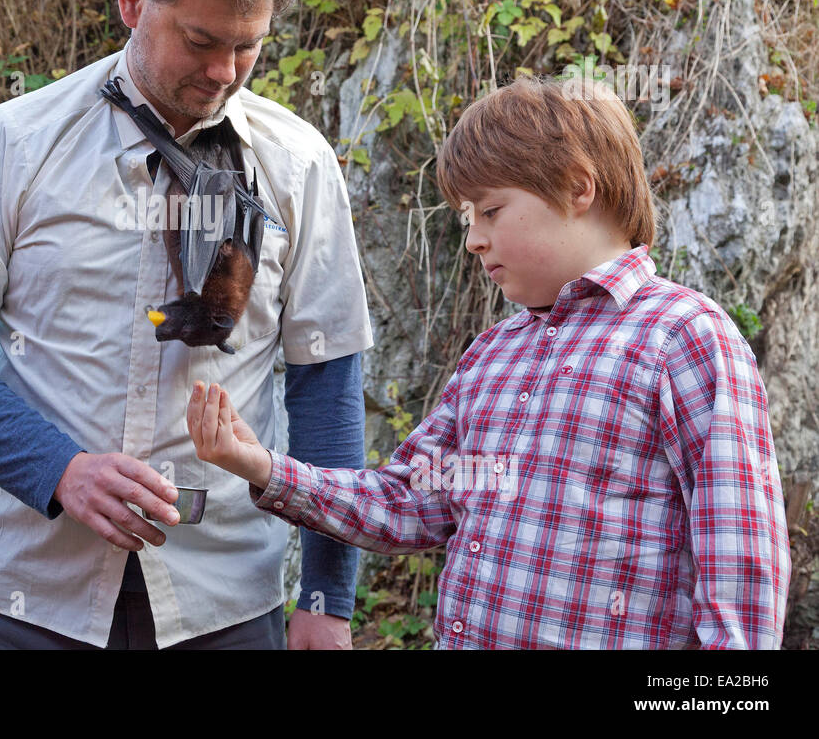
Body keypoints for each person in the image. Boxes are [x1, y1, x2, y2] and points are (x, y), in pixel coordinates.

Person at [0, 0, 375, 649]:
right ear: (130, 0)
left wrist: (329, 591)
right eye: (199, 40)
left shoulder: (298, 164)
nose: (222, 73)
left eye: (246, 48)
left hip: (225, 599)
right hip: (28, 594)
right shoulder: (18, 141)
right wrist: (59, 469)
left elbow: (326, 382)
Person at [188, 75, 792, 648]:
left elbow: (741, 560)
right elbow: (406, 502)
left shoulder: (684, 338)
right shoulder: (491, 356)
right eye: (467, 218)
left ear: (579, 188)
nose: (474, 237)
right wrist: (259, 465)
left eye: (491, 211)